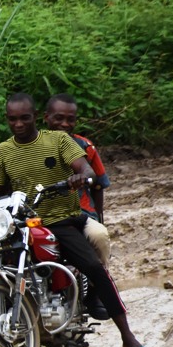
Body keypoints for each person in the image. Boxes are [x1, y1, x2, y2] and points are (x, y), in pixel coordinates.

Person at [0, 92, 151, 347]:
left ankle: (128, 337)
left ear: (36, 117)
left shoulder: (58, 141)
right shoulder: (3, 151)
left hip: (61, 220)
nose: (18, 124)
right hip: (20, 224)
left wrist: (79, 176)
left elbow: (85, 168)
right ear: (7, 119)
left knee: (94, 267)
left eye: (24, 118)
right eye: (12, 119)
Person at [44, 94, 111, 267]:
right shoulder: (33, 146)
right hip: (42, 214)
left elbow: (98, 186)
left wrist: (99, 219)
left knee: (99, 236)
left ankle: (102, 275)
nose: (65, 124)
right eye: (59, 118)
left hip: (81, 213)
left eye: (70, 119)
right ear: (46, 117)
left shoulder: (85, 147)